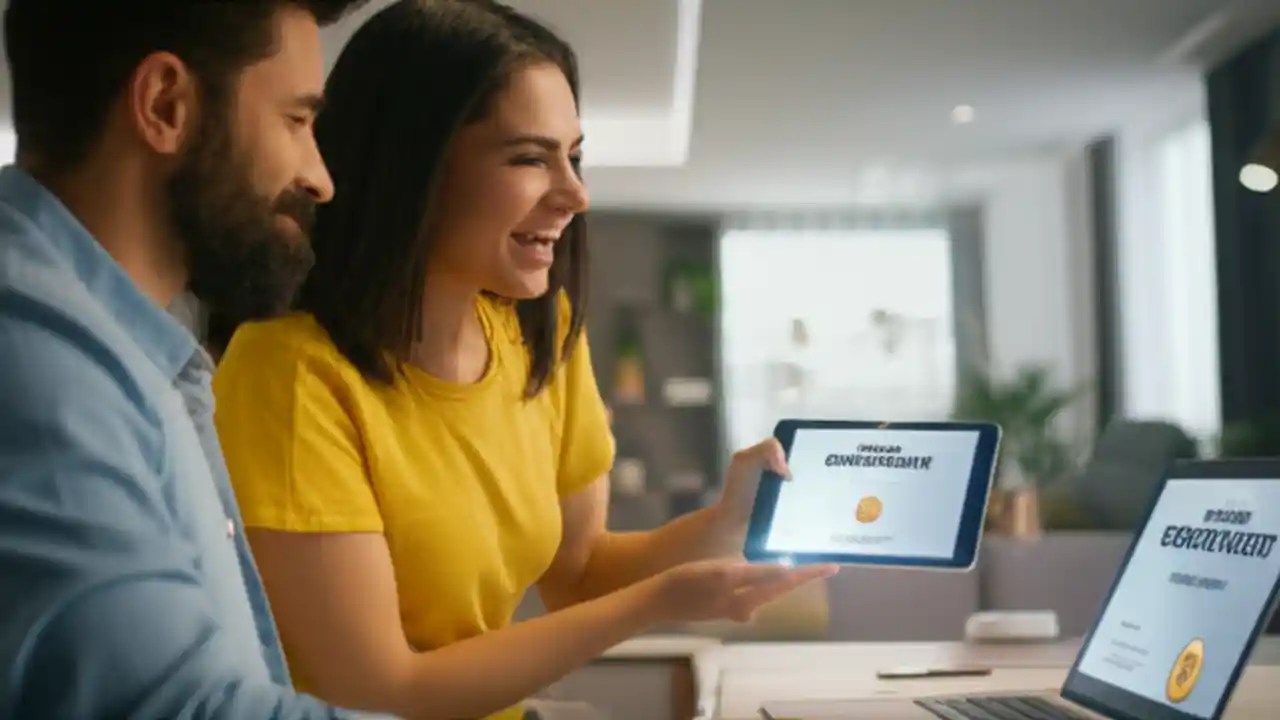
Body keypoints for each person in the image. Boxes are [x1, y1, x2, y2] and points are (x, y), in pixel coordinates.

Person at [211, 2, 837, 719]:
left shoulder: (541, 333)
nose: (575, 194)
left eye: (573, 156)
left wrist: (730, 518)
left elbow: (579, 570)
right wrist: (660, 602)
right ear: (414, 165)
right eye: (530, 158)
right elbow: (379, 691)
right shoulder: (290, 374)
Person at [0, 1, 384, 718]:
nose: (319, 177)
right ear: (165, 105)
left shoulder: (129, 352)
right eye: (297, 123)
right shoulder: (33, 358)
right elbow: (180, 709)